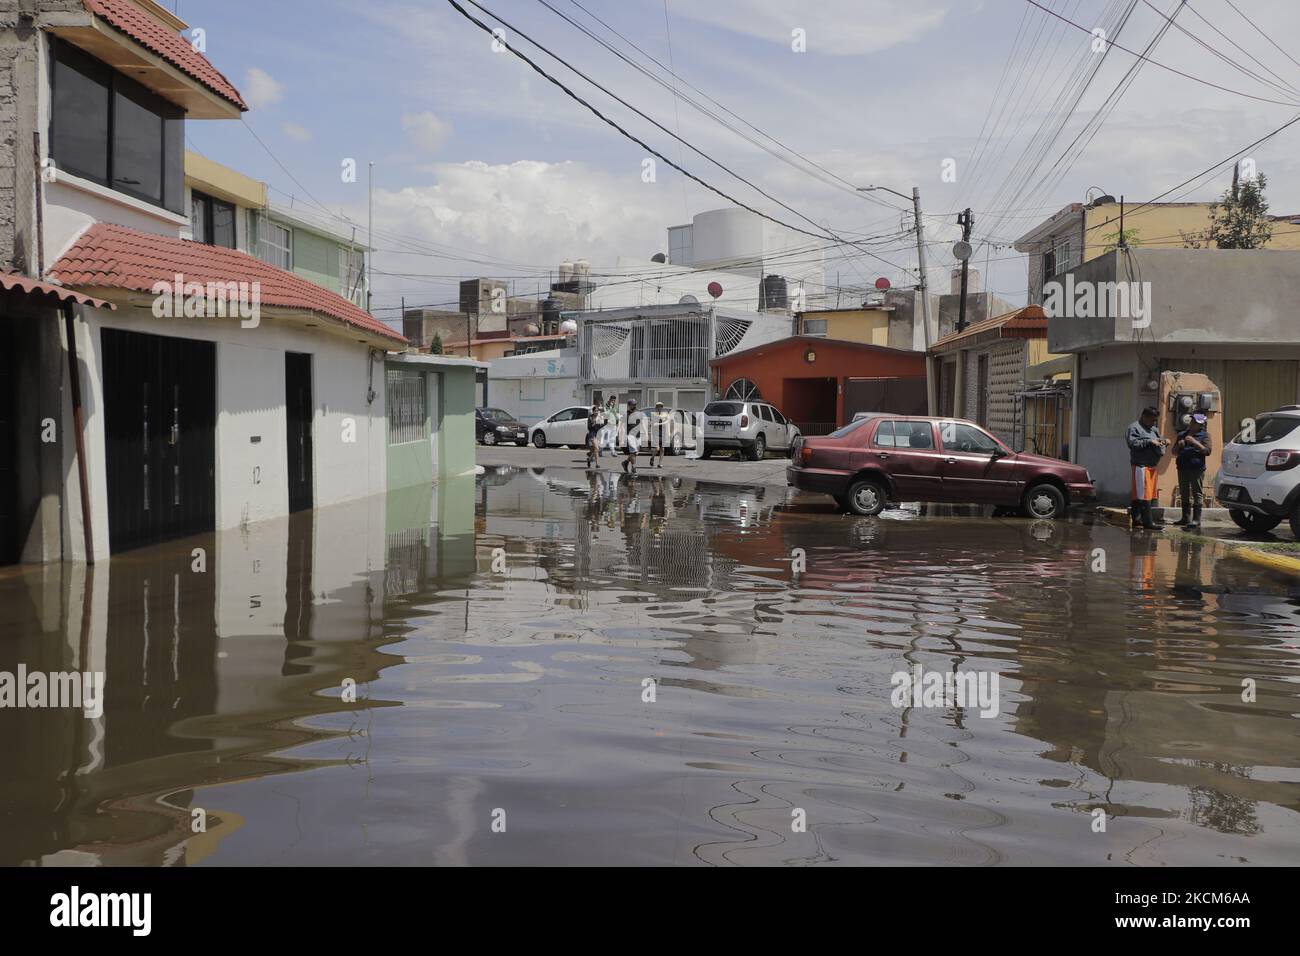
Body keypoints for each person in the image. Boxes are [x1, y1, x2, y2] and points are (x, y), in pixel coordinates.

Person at [1126, 406, 1170, 530]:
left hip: (1152, 466)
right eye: (1152, 420)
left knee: (1145, 494)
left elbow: (1158, 441)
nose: (1154, 423)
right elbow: (1133, 443)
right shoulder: (1134, 428)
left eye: (1155, 420)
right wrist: (1149, 441)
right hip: (1141, 465)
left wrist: (1164, 442)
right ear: (1144, 417)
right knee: (1143, 494)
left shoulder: (1154, 429)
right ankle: (1148, 522)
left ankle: (1137, 519)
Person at [1173, 412, 1211, 529]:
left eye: (1195, 422)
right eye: (1192, 421)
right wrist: (1179, 445)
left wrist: (1195, 443)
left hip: (1196, 469)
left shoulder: (1205, 436)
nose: (1192, 424)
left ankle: (1196, 519)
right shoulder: (1182, 434)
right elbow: (1174, 452)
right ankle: (1185, 517)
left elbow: (1207, 451)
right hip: (1182, 467)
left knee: (1197, 493)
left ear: (1201, 425)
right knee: (1184, 493)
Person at [648, 401, 670, 468]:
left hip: (663, 433)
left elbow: (667, 422)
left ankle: (659, 463)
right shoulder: (654, 415)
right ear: (656, 407)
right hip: (656, 433)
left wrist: (668, 433)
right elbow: (651, 423)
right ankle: (652, 457)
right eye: (658, 406)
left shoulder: (665, 414)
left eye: (660, 406)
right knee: (657, 448)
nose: (659, 408)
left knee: (662, 448)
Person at [622, 399, 641, 474]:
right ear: (629, 405)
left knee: (635, 453)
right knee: (633, 451)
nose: (635, 406)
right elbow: (622, 426)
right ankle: (633, 467)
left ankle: (625, 462)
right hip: (630, 435)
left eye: (635, 404)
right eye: (633, 404)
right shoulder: (626, 414)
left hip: (638, 435)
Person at [585, 402, 605, 469]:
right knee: (596, 448)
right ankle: (597, 464)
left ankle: (589, 459)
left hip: (598, 435)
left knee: (595, 450)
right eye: (595, 411)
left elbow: (602, 425)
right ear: (593, 411)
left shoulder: (600, 417)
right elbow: (589, 427)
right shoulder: (590, 418)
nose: (596, 412)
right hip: (592, 435)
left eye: (597, 411)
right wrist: (594, 424)